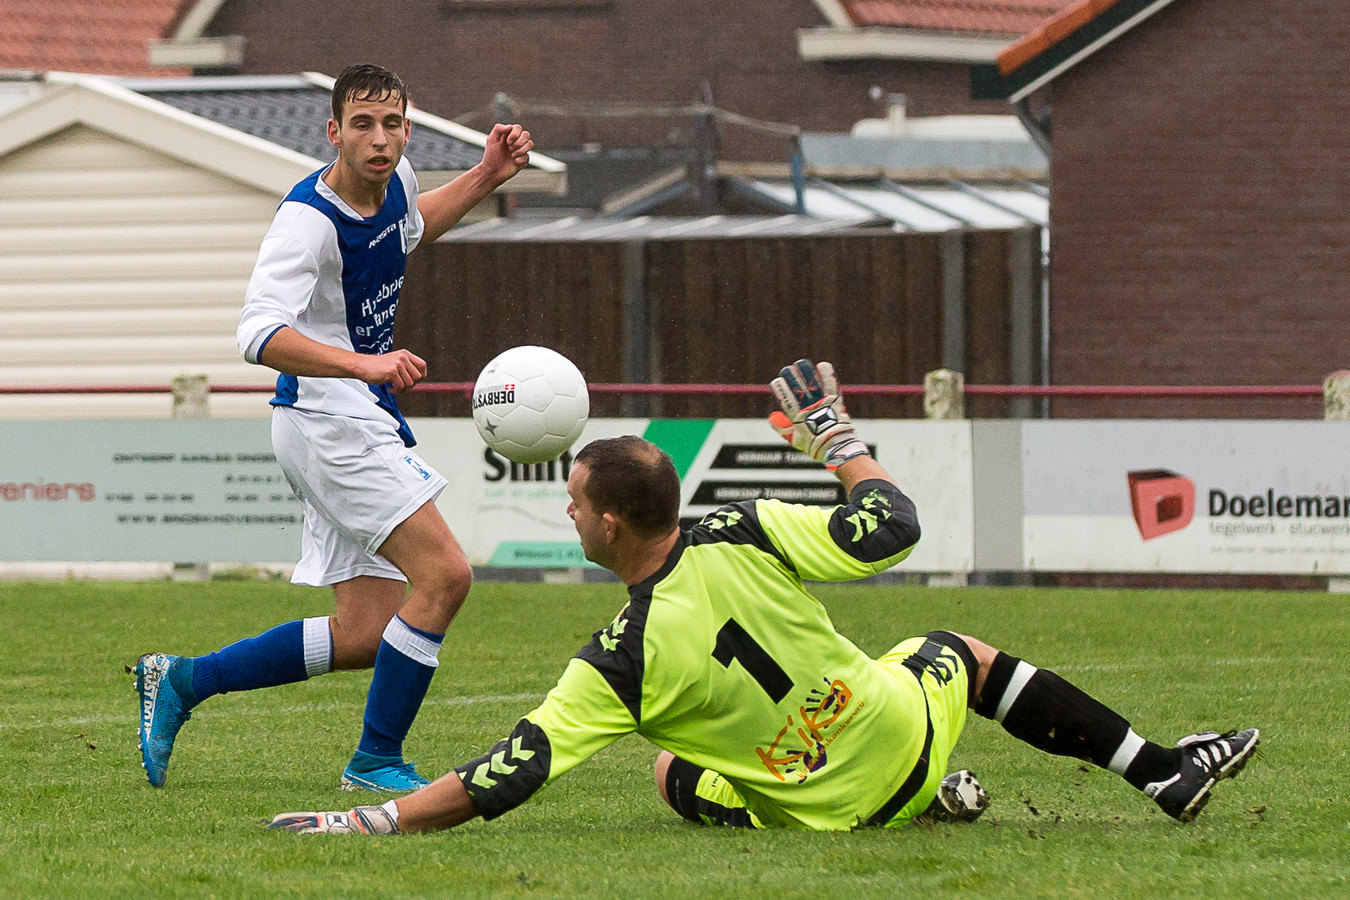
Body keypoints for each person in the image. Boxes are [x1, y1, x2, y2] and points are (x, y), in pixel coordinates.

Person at [268, 359, 1259, 834]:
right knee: (953, 648)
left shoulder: (618, 658)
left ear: (611, 525)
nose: (568, 514)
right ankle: (1157, 768)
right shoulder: (742, 525)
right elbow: (890, 528)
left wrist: (367, 823)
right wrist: (838, 442)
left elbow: (510, 772)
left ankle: (909, 802)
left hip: (826, 808)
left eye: (574, 502)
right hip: (899, 736)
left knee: (667, 770)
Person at [133, 64, 534, 792]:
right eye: (362, 125)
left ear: (407, 130)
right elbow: (256, 334)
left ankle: (183, 681)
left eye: (391, 125)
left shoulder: (399, 180)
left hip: (352, 415)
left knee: (366, 633)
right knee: (445, 575)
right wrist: (362, 365)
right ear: (334, 132)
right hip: (326, 421)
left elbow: (411, 230)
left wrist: (487, 175)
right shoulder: (307, 220)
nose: (379, 140)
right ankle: (375, 761)